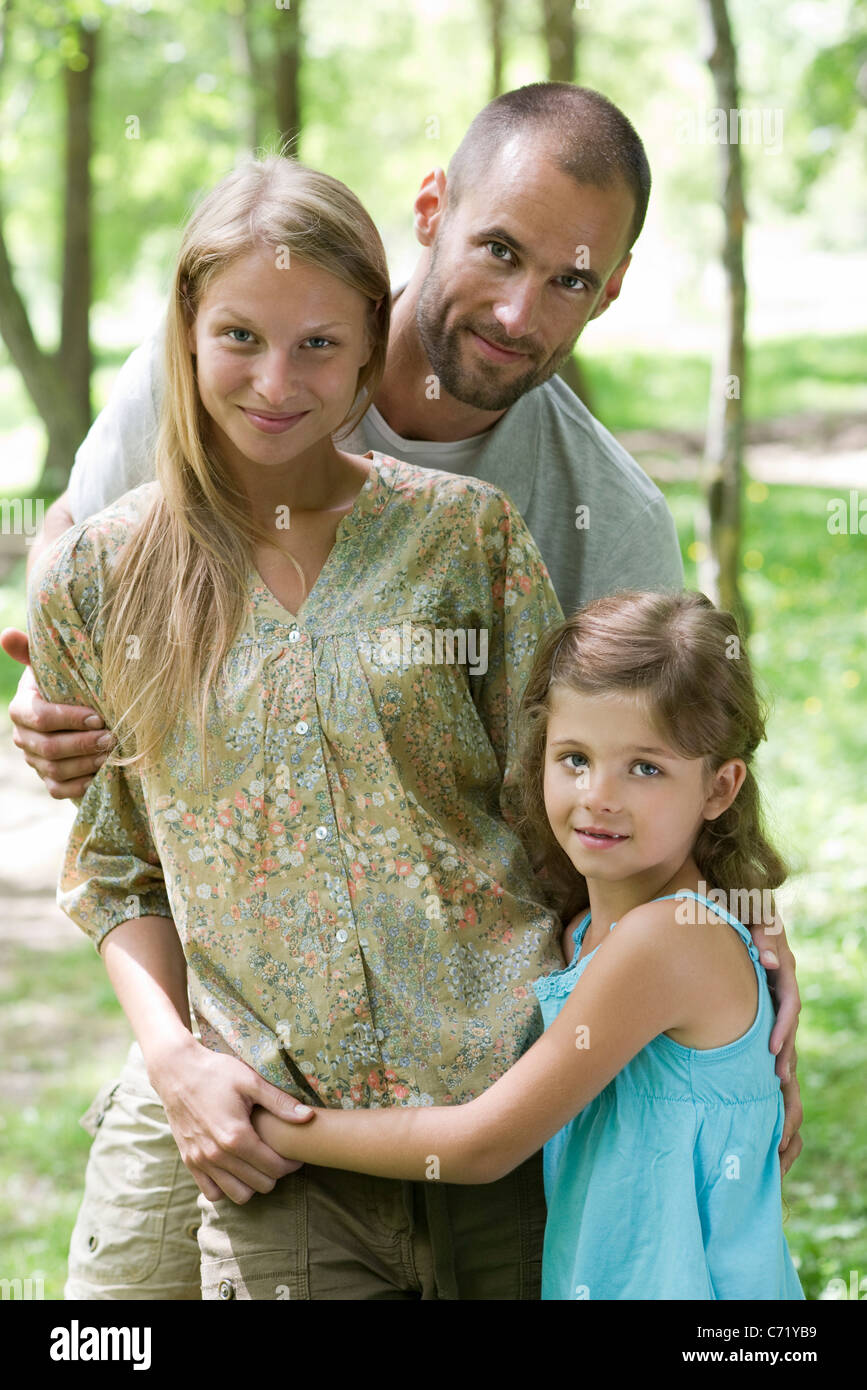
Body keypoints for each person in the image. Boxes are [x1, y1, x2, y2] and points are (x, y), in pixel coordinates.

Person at [10, 82, 801, 1299]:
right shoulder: (229, 351)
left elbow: (660, 758)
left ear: (612, 291)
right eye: (499, 249)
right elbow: (79, 554)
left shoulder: (550, 523)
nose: (519, 307)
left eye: (570, 281)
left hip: (476, 1057)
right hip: (236, 1026)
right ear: (434, 211)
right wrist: (55, 712)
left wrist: (738, 925)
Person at [27, 153, 569, 1300]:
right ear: (184, 332)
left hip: (500, 1106)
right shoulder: (98, 575)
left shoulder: (469, 537)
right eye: (239, 337)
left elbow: (559, 813)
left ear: (373, 346)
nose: (277, 379)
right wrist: (178, 1063)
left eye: (319, 344)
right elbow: (120, 871)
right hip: (282, 1140)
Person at [248, 589, 806, 1300]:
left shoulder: (667, 939)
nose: (598, 795)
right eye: (574, 757)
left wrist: (271, 1125)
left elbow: (484, 1146)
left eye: (645, 768)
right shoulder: (582, 926)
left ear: (719, 788)